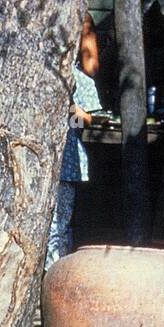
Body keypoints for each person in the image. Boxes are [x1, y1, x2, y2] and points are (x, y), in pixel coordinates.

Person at [45, 19, 102, 268]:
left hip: (66, 161)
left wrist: (71, 107)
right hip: (40, 161)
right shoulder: (37, 76)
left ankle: (56, 270)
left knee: (60, 222)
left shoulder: (82, 81)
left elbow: (88, 120)